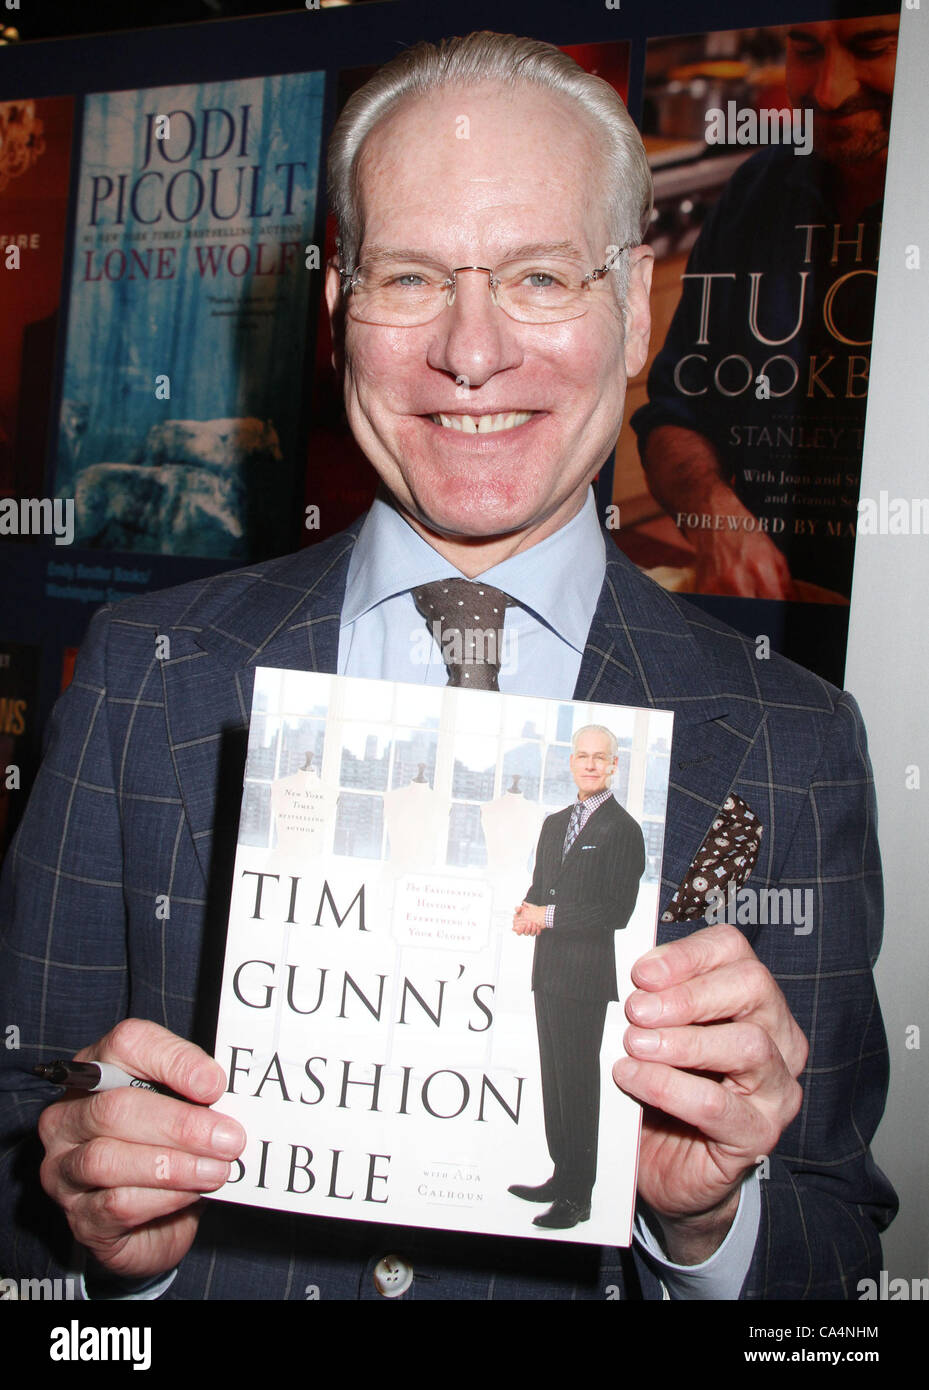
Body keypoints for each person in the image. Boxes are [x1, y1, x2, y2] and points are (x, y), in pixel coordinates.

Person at [0, 31, 895, 1301]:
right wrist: (105, 1246)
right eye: (411, 276)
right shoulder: (146, 676)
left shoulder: (791, 743)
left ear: (632, 307)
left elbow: (833, 1250)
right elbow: (16, 1113)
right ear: (336, 316)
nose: (469, 354)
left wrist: (704, 1230)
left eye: (537, 276)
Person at [632, 16, 899, 599]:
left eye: (873, 47)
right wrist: (715, 514)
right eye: (805, 49)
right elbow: (674, 415)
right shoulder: (758, 190)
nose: (828, 92)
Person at [510, 724, 645, 1229]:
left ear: (614, 765)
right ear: (572, 762)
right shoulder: (553, 823)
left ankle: (579, 1197)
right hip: (547, 971)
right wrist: (526, 907)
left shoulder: (624, 829)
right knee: (554, 1079)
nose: (590, 764)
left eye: (600, 758)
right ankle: (561, 1175)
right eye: (582, 756)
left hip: (585, 978)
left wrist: (544, 917)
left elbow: (615, 911)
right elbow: (543, 885)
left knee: (579, 1082)